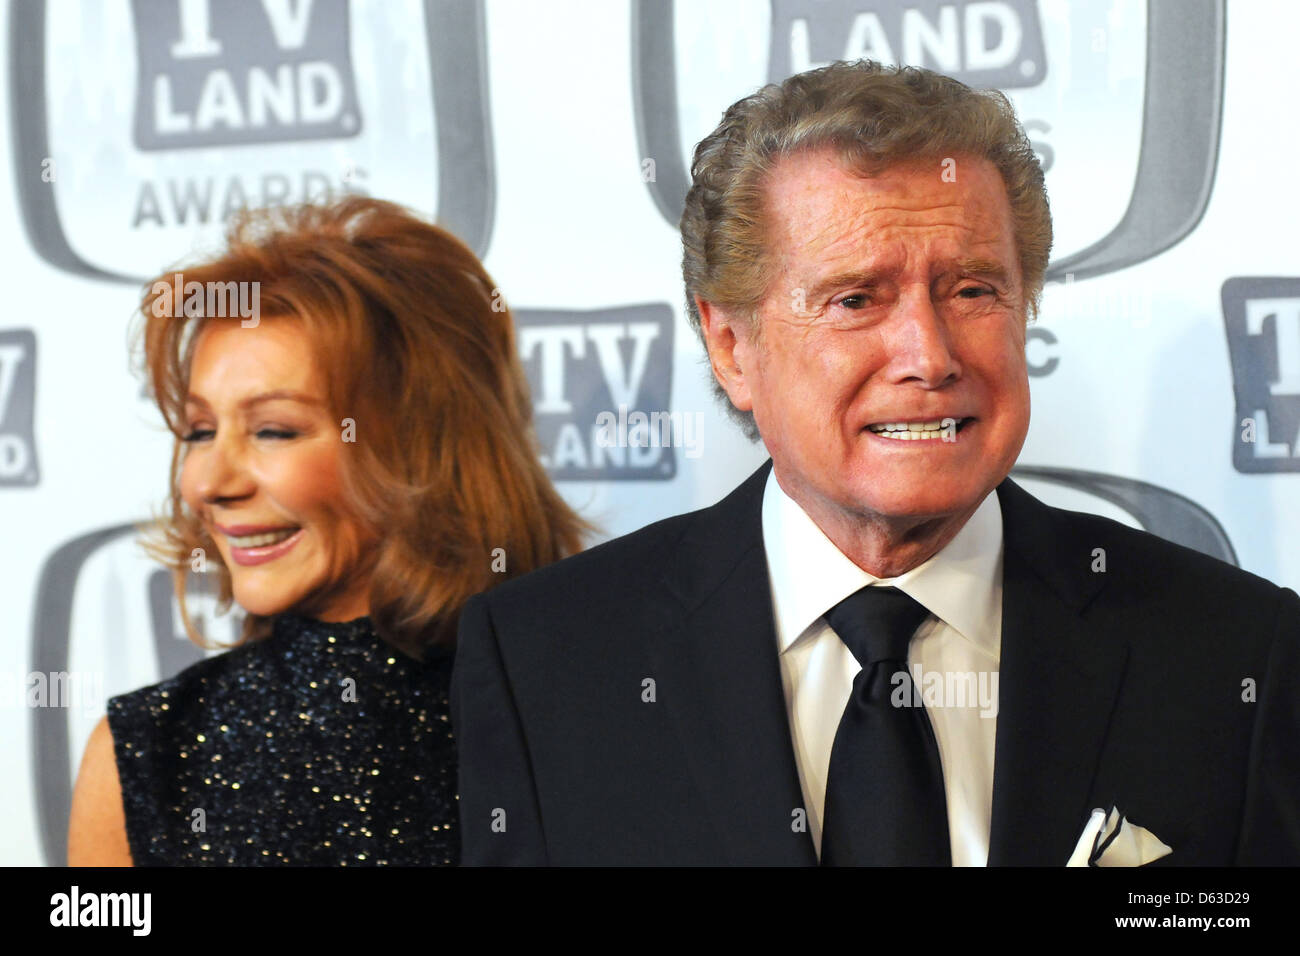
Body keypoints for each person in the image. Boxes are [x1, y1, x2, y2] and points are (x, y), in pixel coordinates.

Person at [452, 61, 1300, 865]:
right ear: (730, 347)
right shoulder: (549, 664)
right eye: (856, 299)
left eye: (973, 290)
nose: (929, 355)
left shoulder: (1233, 656)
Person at [67, 196, 589, 865]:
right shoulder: (141, 758)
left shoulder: (584, 724)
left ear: (419, 446)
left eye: (273, 430)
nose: (207, 483)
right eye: (199, 431)